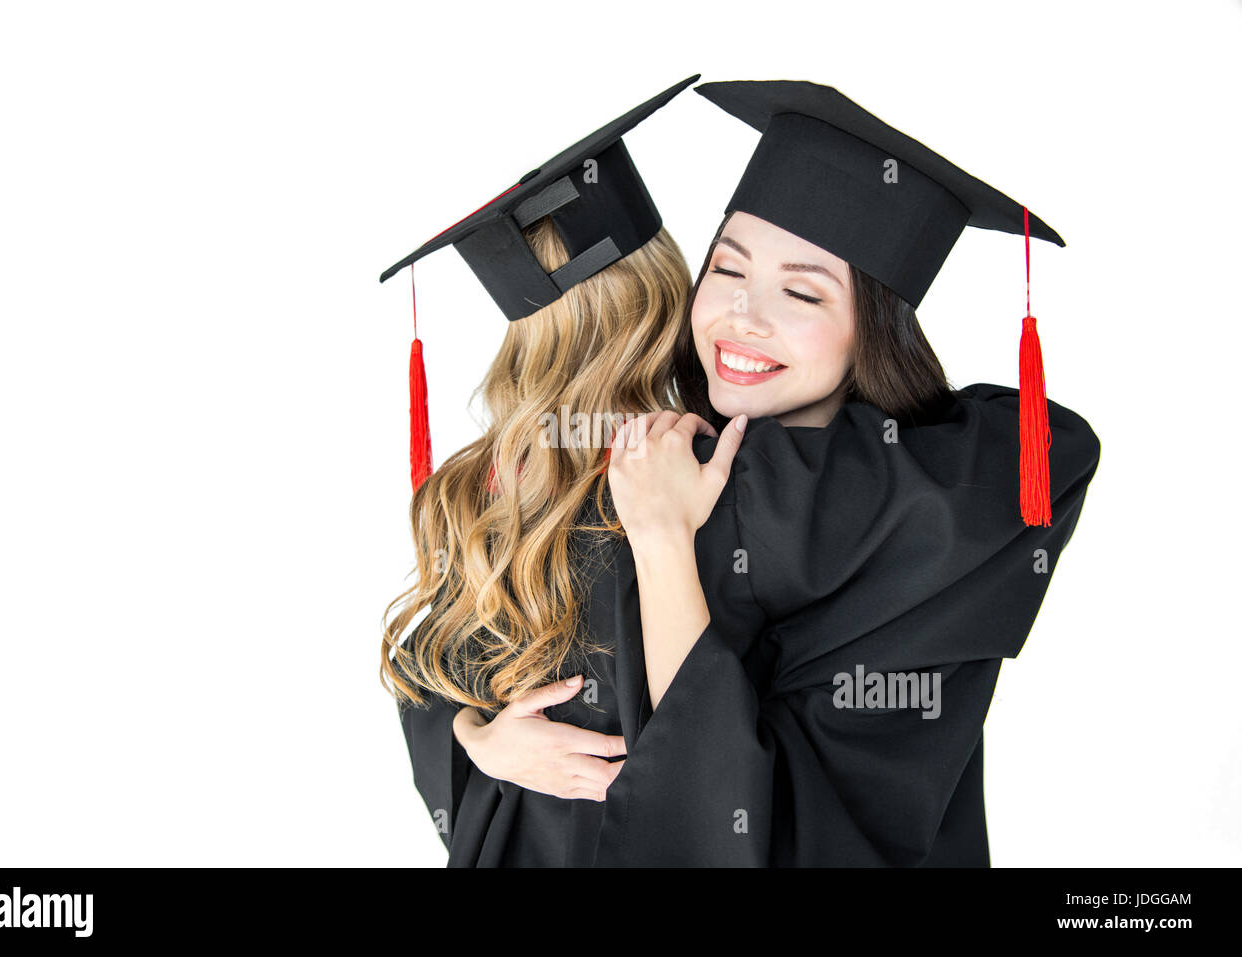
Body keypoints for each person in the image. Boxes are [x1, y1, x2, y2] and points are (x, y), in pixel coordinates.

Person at [590, 80, 1101, 865]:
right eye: (727, 270)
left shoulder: (936, 527)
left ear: (874, 329)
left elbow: (713, 812)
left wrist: (663, 538)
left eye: (801, 290)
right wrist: (478, 741)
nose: (742, 315)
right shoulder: (654, 459)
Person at [378, 76, 713, 865]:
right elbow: (432, 674)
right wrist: (481, 739)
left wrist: (477, 743)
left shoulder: (478, 488)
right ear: (664, 293)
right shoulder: (695, 473)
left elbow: (427, 669)